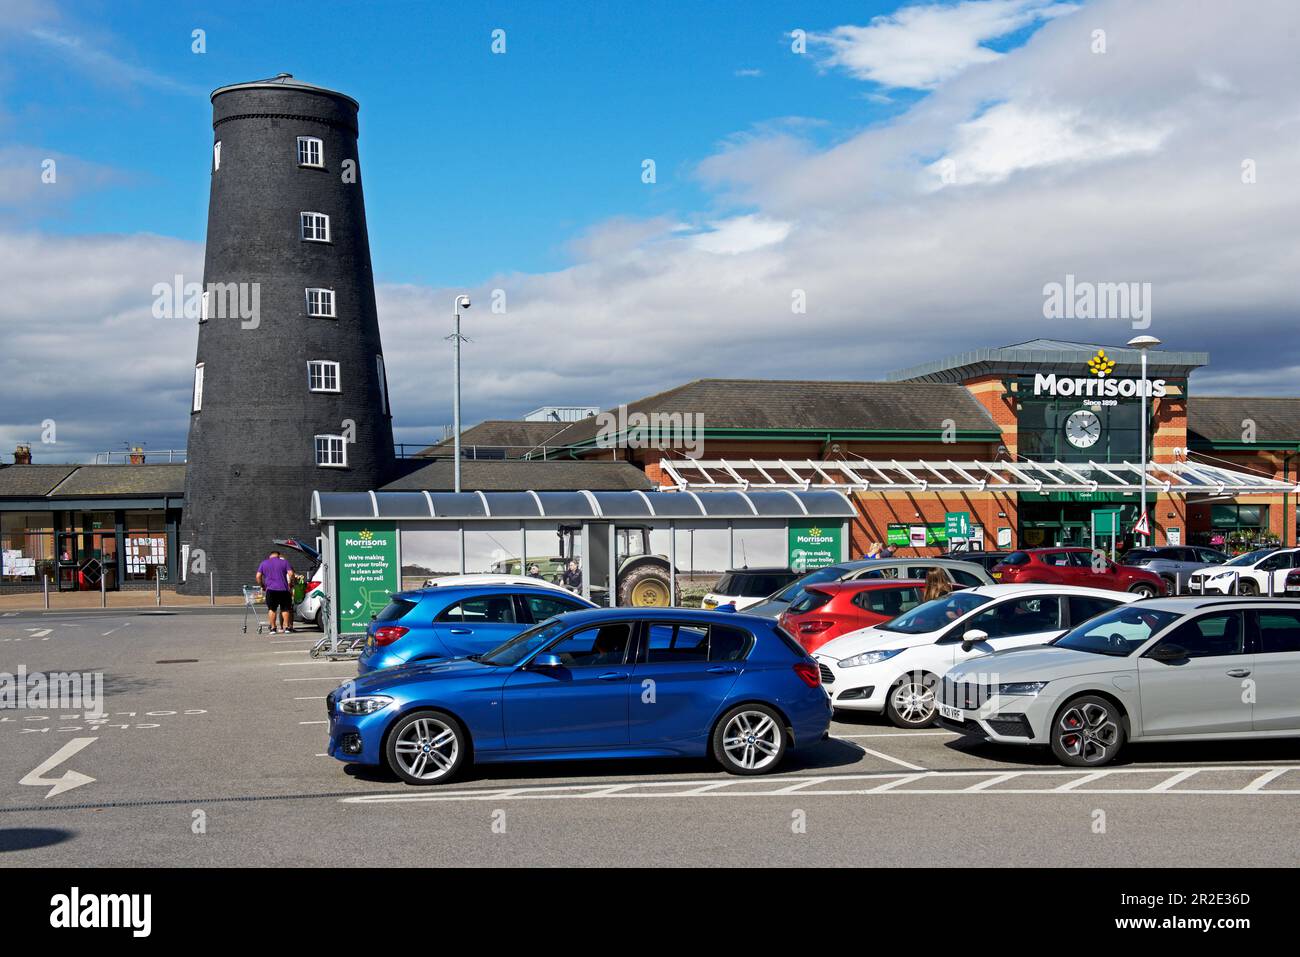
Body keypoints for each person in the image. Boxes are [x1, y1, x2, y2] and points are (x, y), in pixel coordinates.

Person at [256, 549, 297, 635]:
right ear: (278, 556)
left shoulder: (264, 563)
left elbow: (258, 576)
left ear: (270, 556)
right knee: (285, 608)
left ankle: (273, 628)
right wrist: (292, 583)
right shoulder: (284, 562)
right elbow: (291, 574)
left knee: (272, 609)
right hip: (284, 589)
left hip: (270, 590)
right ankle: (286, 628)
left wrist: (262, 585)